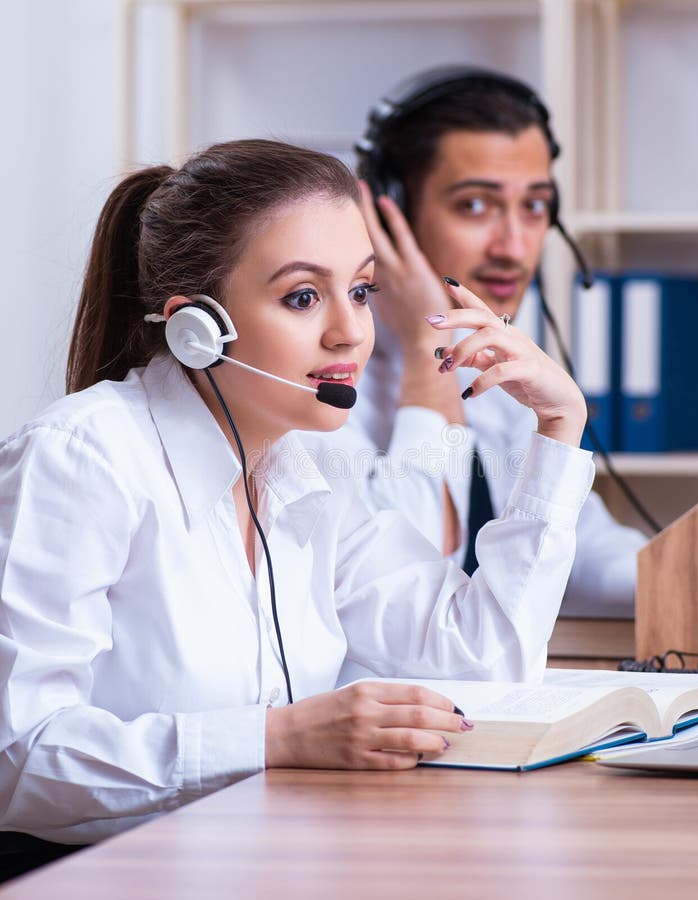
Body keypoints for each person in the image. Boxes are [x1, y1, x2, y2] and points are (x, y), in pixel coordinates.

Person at [0, 138, 593, 853]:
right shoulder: (83, 459)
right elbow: (18, 759)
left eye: (362, 290)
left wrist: (559, 431)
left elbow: (480, 660)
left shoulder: (312, 463)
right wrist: (278, 736)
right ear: (197, 330)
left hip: (267, 861)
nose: (349, 330)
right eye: (303, 296)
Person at [302, 66, 646, 618]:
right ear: (391, 214)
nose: (513, 246)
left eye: (533, 206)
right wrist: (424, 344)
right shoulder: (318, 377)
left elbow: (588, 554)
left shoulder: (493, 366)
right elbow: (406, 586)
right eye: (476, 206)